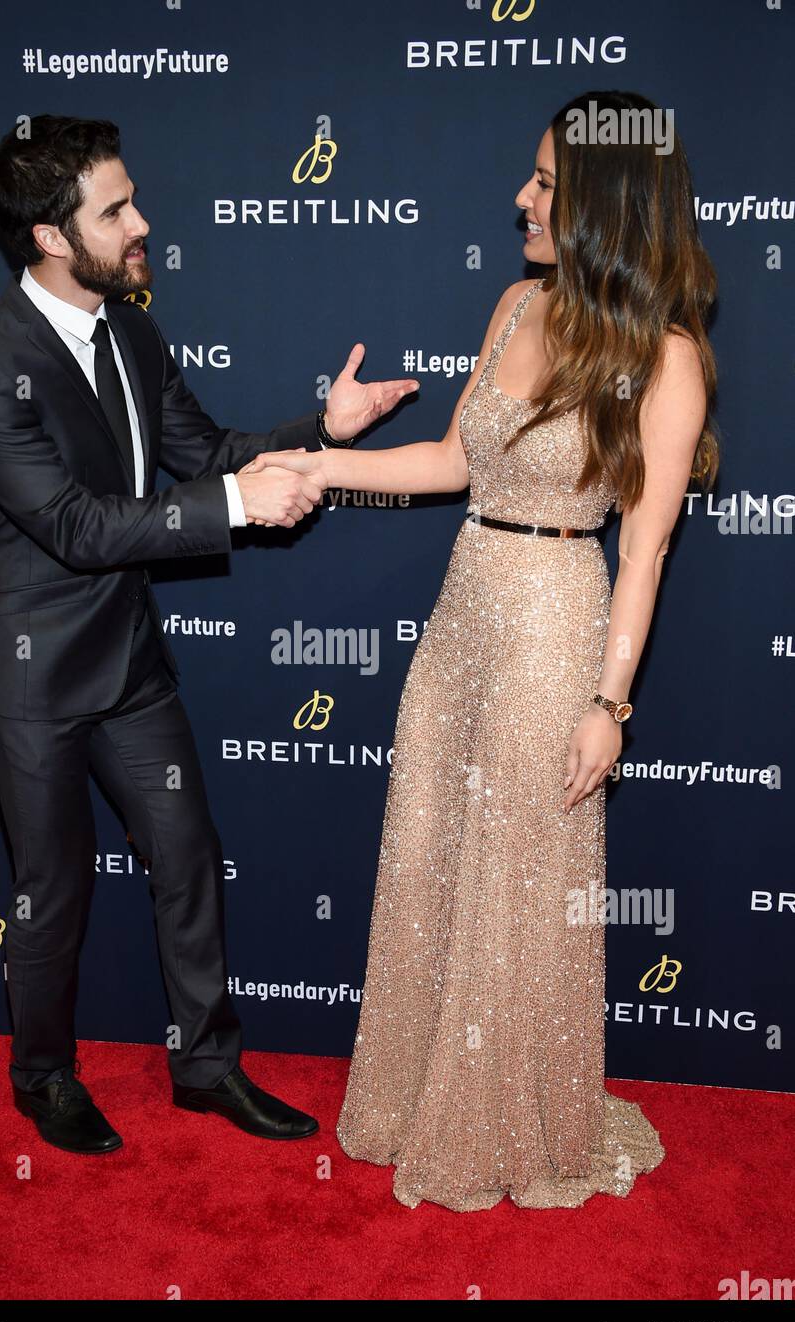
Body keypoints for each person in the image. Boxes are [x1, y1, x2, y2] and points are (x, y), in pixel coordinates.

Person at [244, 90, 719, 1210]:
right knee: (426, 856)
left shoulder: (666, 357)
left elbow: (644, 550)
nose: (523, 197)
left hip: (556, 619)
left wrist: (610, 704)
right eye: (531, 176)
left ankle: (509, 1119)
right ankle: (416, 1097)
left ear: (605, 200)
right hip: (462, 611)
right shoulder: (514, 305)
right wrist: (320, 464)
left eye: (547, 182)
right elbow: (456, 463)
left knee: (519, 879)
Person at [0, 114, 417, 1156]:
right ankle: (42, 1075)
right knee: (51, 888)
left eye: (131, 195)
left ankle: (205, 1065)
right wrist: (239, 504)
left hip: (128, 661)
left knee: (189, 856)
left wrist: (317, 436)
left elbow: (207, 452)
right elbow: (72, 524)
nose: (143, 221)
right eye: (115, 210)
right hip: (29, 681)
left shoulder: (135, 331)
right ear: (50, 237)